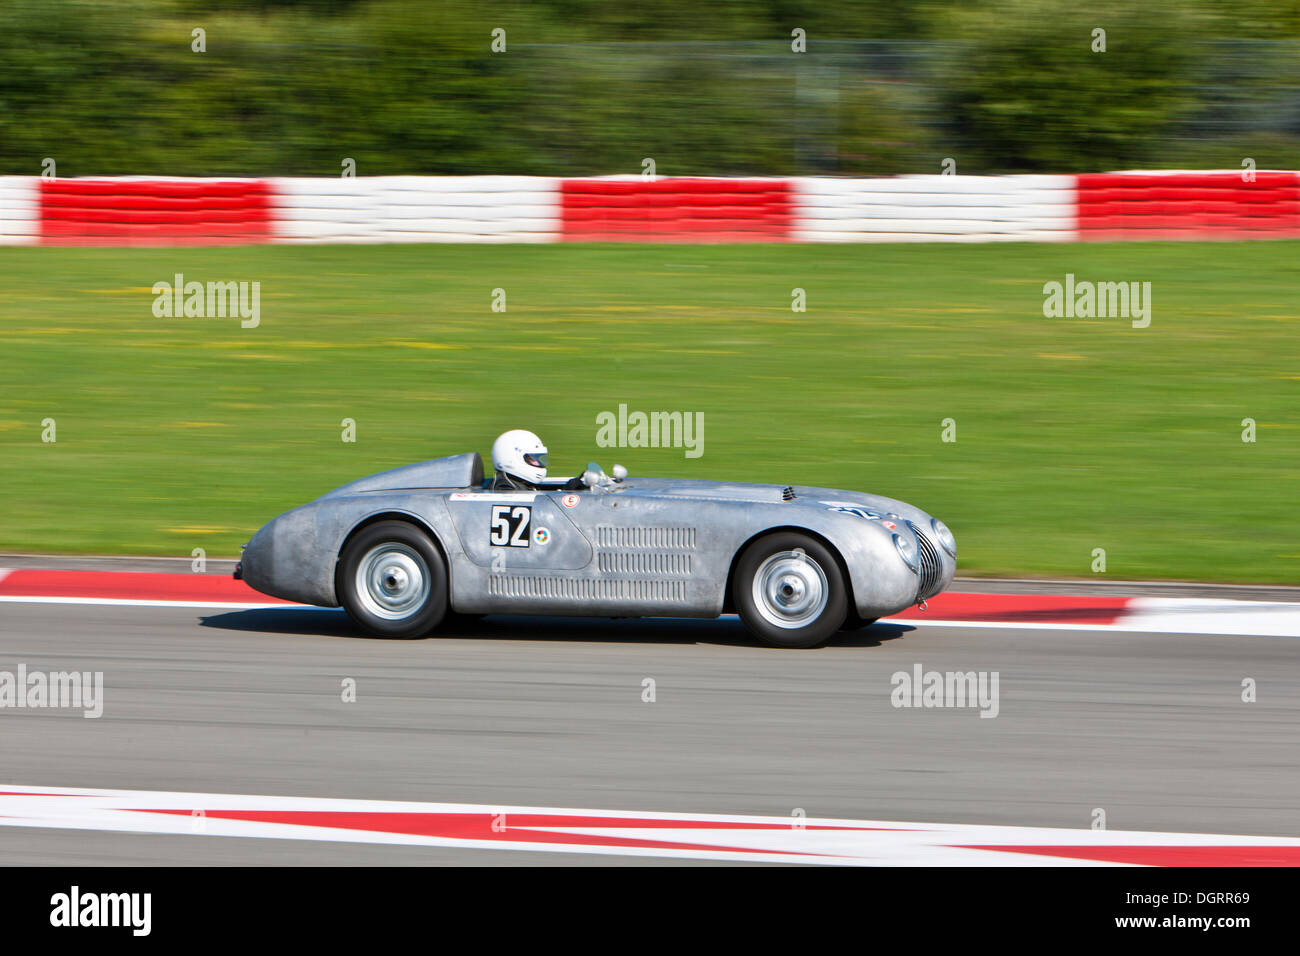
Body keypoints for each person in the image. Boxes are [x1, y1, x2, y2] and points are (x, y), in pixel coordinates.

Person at [489, 429, 584, 491]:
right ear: (510, 459)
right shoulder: (504, 489)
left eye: (540, 459)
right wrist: (564, 493)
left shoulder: (523, 483)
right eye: (533, 459)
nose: (539, 463)